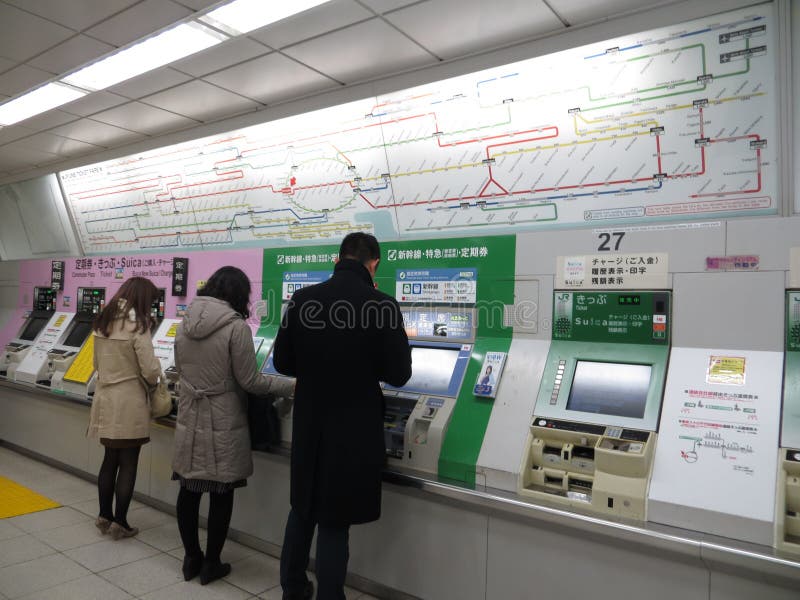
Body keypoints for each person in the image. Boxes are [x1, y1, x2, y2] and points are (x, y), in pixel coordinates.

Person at [274, 232, 412, 600]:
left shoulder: (302, 301)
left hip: (310, 424)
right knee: (335, 520)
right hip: (353, 430)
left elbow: (283, 362)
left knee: (303, 508)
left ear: (338, 259)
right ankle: (330, 595)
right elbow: (399, 373)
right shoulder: (381, 305)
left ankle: (292, 587)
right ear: (374, 264)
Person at [172, 266, 294, 585]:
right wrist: (291, 386)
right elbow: (250, 381)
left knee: (189, 487)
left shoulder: (184, 323)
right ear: (239, 295)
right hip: (222, 416)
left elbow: (180, 368)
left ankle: (190, 558)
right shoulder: (236, 327)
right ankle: (212, 563)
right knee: (220, 491)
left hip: (190, 413)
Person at [88, 277, 162, 540]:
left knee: (110, 459)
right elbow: (150, 371)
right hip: (130, 401)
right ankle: (121, 522)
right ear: (142, 298)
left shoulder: (103, 321)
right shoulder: (137, 325)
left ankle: (103, 515)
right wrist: (158, 376)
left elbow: (96, 363)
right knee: (128, 462)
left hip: (106, 399)